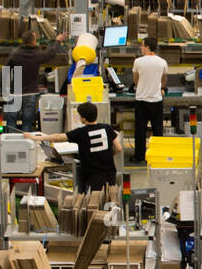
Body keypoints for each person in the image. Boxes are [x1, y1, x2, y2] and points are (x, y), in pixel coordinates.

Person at [31, 100, 121, 191]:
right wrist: (108, 154)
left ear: (84, 118)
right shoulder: (107, 128)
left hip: (92, 175)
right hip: (110, 173)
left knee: (94, 199)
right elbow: (119, 148)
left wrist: (36, 138)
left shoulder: (81, 132)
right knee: (109, 197)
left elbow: (59, 137)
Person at [5, 25, 68, 131]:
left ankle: (11, 144)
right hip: (30, 94)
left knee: (11, 123)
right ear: (33, 42)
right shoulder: (37, 55)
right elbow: (50, 52)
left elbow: (5, 71)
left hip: (14, 93)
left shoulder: (15, 55)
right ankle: (27, 145)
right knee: (27, 123)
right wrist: (57, 40)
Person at [130, 34, 168, 165]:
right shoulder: (162, 62)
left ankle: (139, 156)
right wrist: (161, 87)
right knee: (158, 130)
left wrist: (141, 86)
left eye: (142, 45)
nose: (141, 47)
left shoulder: (138, 62)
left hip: (141, 100)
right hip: (156, 100)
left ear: (147, 47)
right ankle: (158, 155)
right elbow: (164, 78)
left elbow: (135, 79)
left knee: (140, 131)